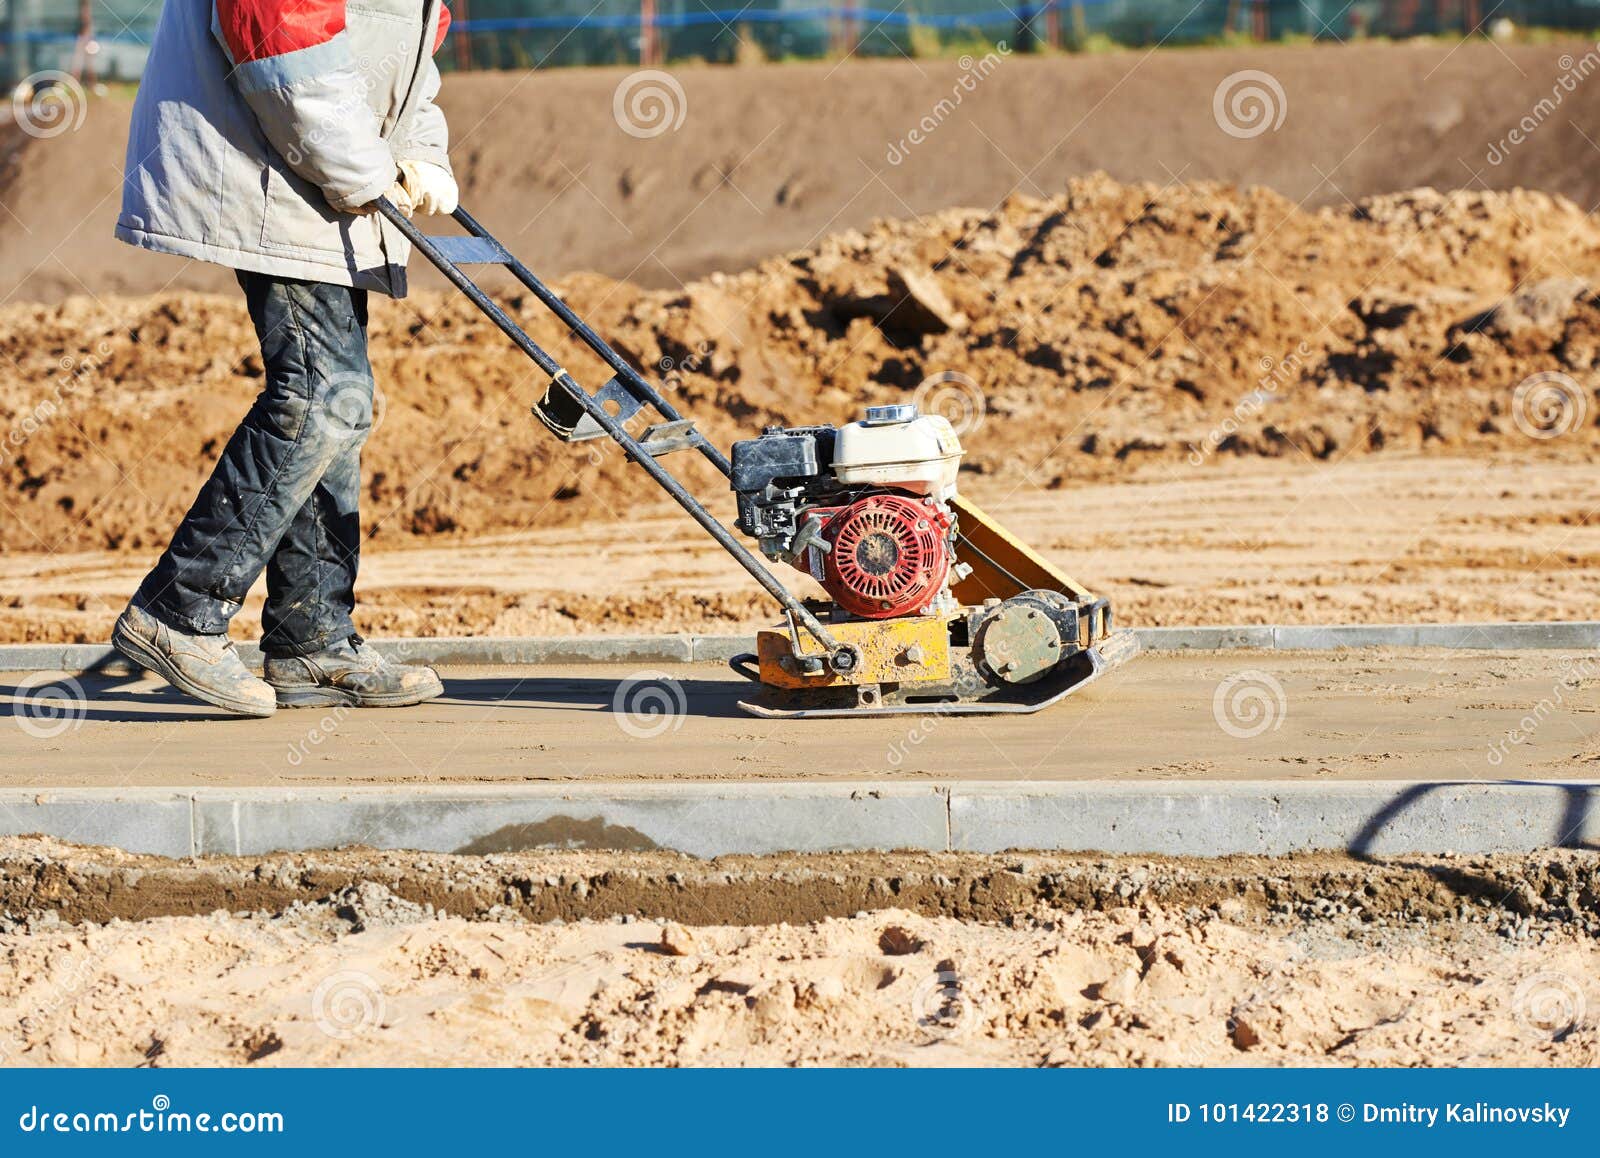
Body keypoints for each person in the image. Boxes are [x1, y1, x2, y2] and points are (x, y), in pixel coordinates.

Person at [110, 0, 459, 716]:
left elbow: (408, 49)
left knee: (340, 405)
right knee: (321, 395)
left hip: (317, 180)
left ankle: (312, 639)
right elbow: (280, 38)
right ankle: (179, 611)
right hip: (267, 165)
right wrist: (363, 169)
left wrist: (423, 150)